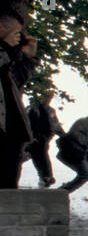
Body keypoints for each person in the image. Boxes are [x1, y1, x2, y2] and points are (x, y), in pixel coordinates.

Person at [0, 11, 38, 190]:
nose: (19, 36)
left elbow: (14, 83)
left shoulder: (6, 55)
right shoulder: (3, 51)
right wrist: (4, 47)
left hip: (11, 131)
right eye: (15, 31)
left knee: (9, 186)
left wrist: (28, 59)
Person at [24, 91, 61, 188]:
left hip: (44, 139)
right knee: (37, 157)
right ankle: (46, 177)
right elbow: (27, 124)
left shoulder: (50, 111)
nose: (48, 100)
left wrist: (63, 135)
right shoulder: (32, 109)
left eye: (50, 98)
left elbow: (56, 125)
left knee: (41, 158)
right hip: (33, 139)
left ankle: (45, 178)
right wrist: (31, 137)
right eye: (47, 97)